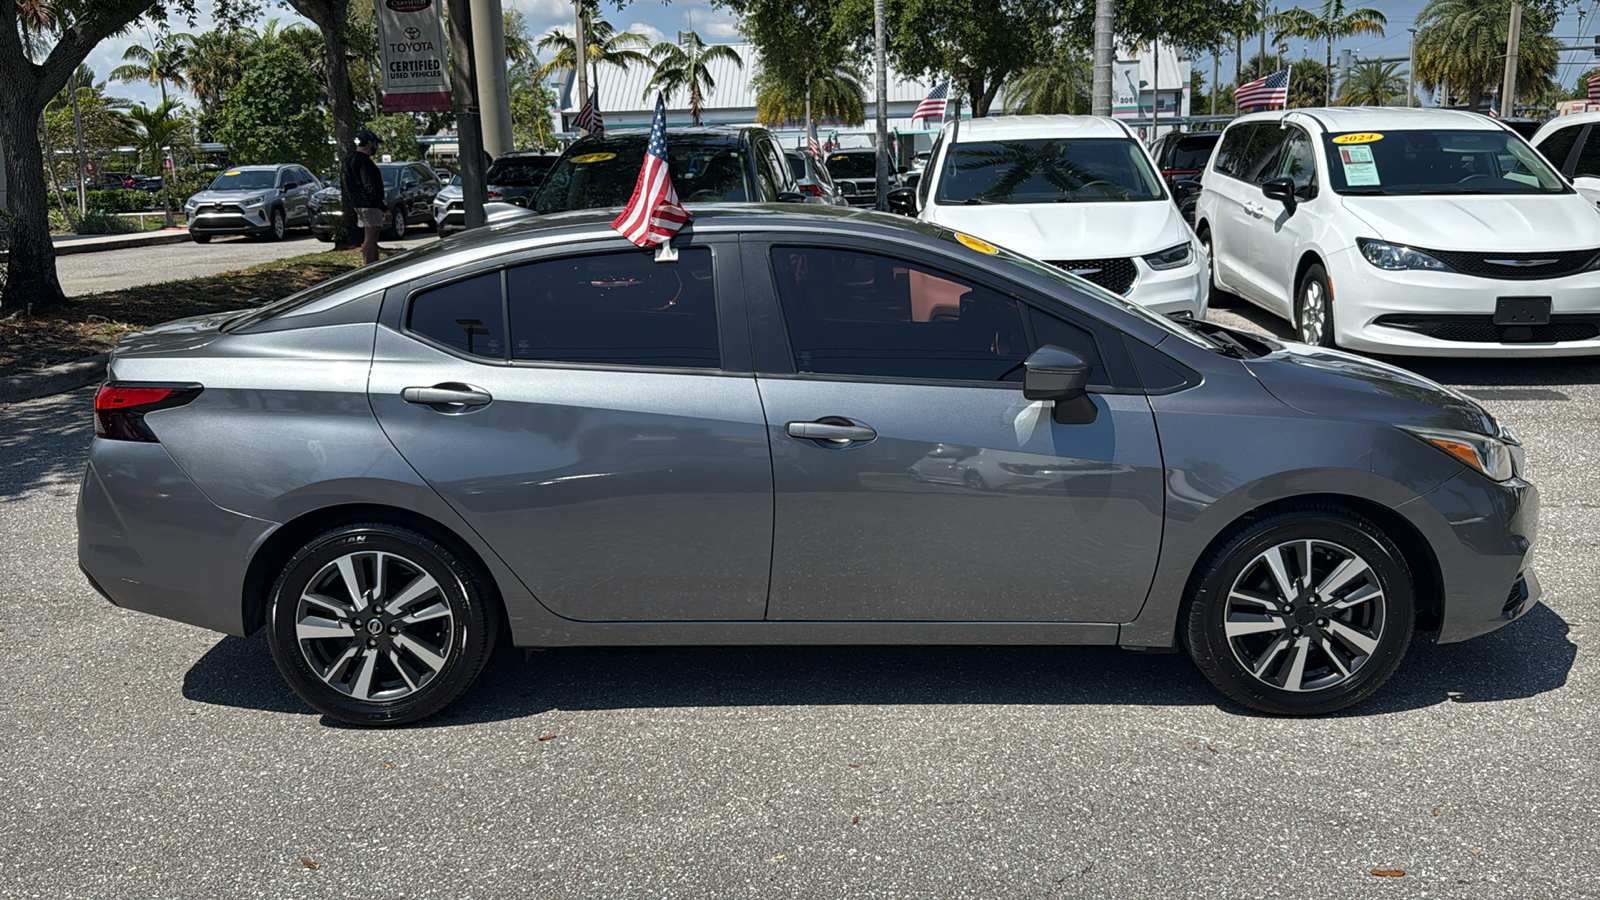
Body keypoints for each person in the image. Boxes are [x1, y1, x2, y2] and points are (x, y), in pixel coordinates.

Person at [346, 129, 387, 264]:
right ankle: (370, 265)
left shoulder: (351, 160)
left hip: (358, 203)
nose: (376, 147)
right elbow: (370, 186)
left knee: (369, 236)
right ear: (370, 143)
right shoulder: (365, 162)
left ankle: (374, 263)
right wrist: (383, 207)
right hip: (369, 204)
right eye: (376, 144)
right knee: (371, 237)